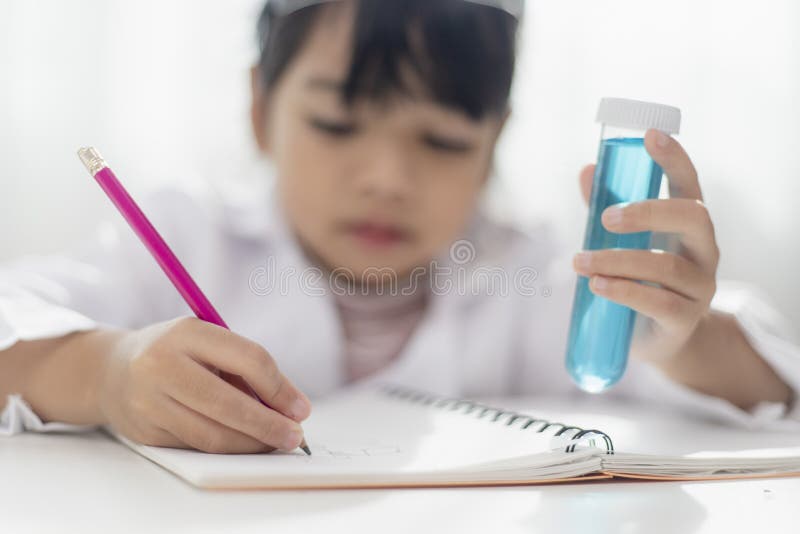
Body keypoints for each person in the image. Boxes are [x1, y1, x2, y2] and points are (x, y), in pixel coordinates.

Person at [1, 0, 798, 454]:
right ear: (259, 108)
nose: (387, 178)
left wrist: (681, 333)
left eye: (442, 141)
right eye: (337, 125)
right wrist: (106, 372)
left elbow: (771, 386)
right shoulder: (187, 236)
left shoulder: (534, 274)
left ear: (493, 143)